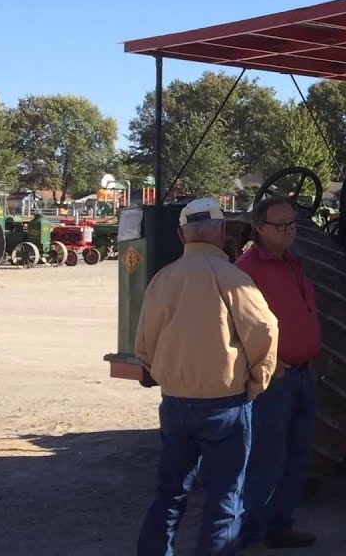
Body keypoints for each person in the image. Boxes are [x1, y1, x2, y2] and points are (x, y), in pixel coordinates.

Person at [135, 198, 279, 556]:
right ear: (220, 233)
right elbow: (265, 330)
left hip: (175, 404)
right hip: (225, 406)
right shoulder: (233, 278)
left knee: (169, 495)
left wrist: (166, 374)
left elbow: (143, 344)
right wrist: (255, 384)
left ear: (183, 235)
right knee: (223, 501)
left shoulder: (162, 279)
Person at [237, 196, 322, 551]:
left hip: (303, 376)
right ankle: (251, 533)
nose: (289, 231)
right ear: (259, 227)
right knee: (266, 459)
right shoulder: (246, 270)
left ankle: (280, 525)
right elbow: (235, 326)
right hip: (274, 380)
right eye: (281, 225)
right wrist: (266, 364)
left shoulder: (293, 263)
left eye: (292, 224)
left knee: (298, 455)